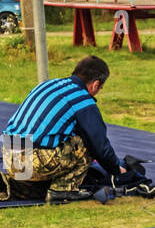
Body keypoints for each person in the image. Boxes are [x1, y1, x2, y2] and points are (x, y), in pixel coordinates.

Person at [0, 54, 125, 203]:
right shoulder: (81, 98)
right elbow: (98, 143)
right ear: (95, 84)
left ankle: (23, 185)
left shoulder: (47, 85)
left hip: (9, 156)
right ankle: (63, 190)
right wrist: (116, 169)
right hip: (33, 161)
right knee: (84, 143)